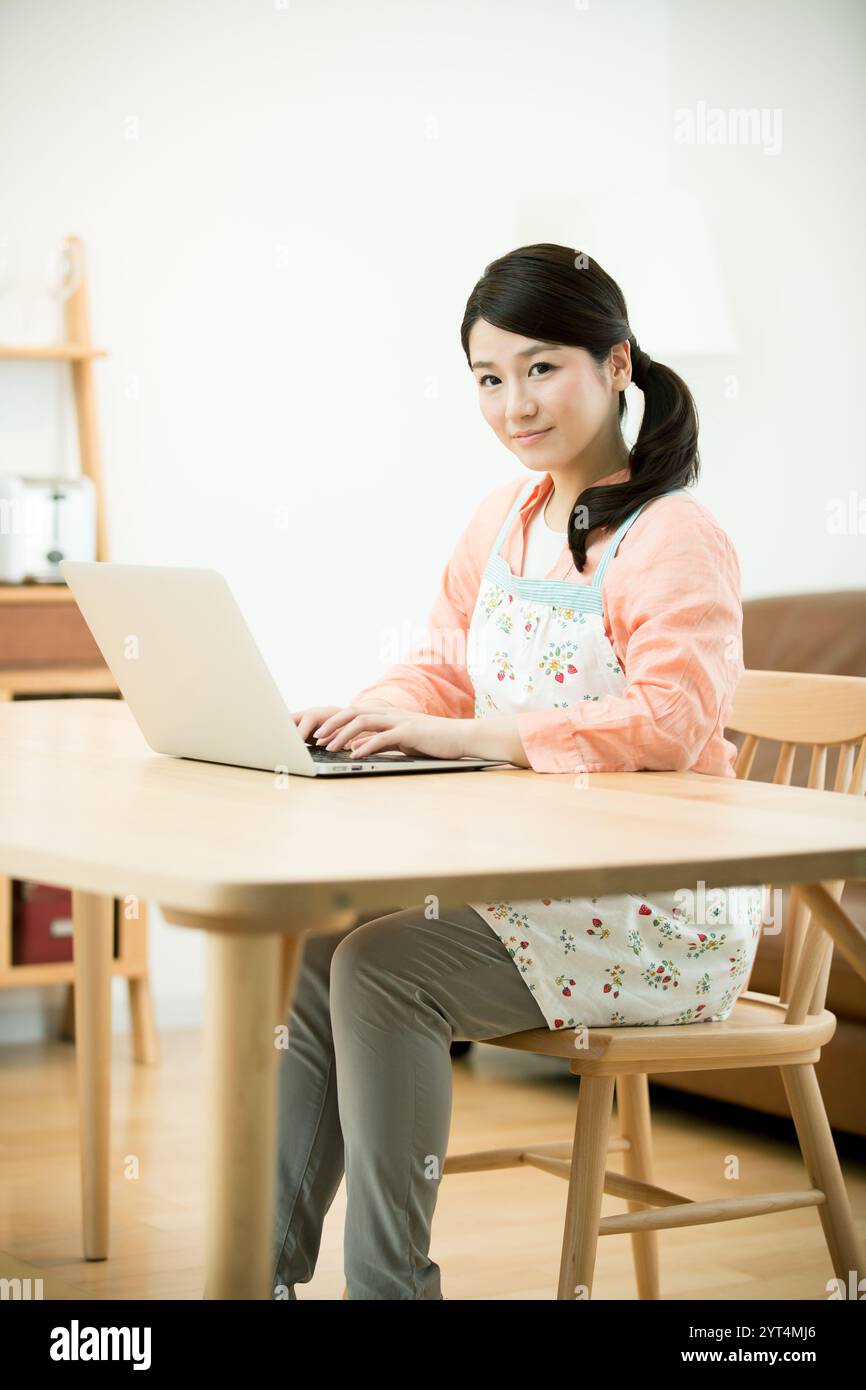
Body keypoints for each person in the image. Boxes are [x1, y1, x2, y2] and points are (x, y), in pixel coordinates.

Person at [272, 243, 763, 1300]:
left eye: (541, 368)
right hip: (545, 892)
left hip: (659, 914)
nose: (512, 404)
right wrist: (376, 714)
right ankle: (261, 1275)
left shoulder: (672, 535)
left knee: (381, 967)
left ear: (616, 364)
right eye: (488, 378)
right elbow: (445, 666)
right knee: (327, 946)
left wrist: (477, 735)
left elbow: (672, 724)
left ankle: (388, 1293)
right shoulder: (504, 519)